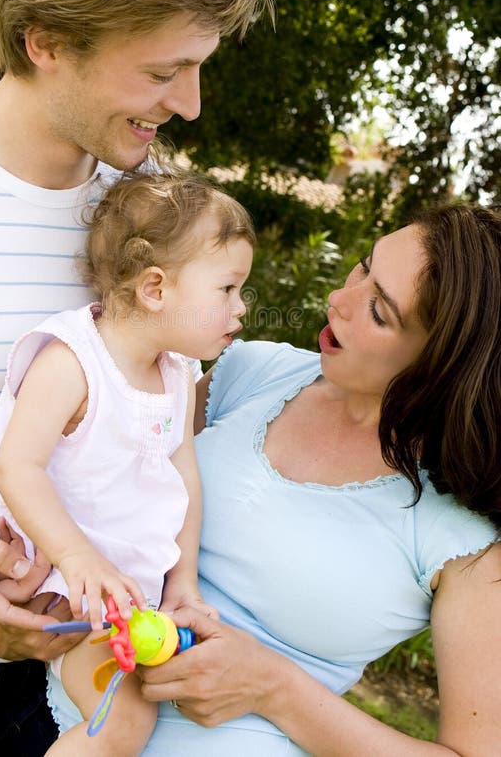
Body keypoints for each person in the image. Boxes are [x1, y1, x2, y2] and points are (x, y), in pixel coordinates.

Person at [0, 0, 283, 752]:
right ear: (46, 40)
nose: (189, 106)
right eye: (163, 71)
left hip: (86, 686)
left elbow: (166, 436)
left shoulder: (162, 225)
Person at [57, 201, 498, 755]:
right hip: (39, 708)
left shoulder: (465, 537)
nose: (340, 299)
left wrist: (275, 689)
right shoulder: (253, 371)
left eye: (380, 312)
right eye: (364, 266)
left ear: (445, 366)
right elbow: (97, 478)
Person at [0, 170, 254, 755]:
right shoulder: (72, 361)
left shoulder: (176, 374)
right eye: (228, 290)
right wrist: (76, 558)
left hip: (120, 595)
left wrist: (181, 582)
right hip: (61, 580)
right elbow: (17, 467)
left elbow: (184, 483)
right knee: (124, 724)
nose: (241, 308)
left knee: (143, 702)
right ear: (156, 289)